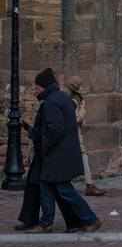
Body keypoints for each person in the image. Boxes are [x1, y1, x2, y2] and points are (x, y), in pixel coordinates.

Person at [35, 69, 101, 233]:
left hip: (58, 154)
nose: (35, 90)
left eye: (37, 87)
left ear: (43, 86)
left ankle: (91, 219)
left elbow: (56, 129)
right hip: (64, 152)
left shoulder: (51, 102)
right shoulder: (63, 98)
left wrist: (45, 146)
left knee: (64, 189)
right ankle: (46, 222)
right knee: (46, 185)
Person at [16, 98, 86, 233]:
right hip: (45, 152)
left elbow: (53, 131)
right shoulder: (51, 104)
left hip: (50, 154)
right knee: (36, 185)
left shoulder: (55, 105)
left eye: (37, 88)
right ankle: (35, 220)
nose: (35, 91)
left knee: (58, 187)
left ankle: (77, 221)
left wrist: (37, 137)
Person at [66, 77, 106, 197]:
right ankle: (89, 185)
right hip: (74, 135)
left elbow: (81, 122)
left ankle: (88, 185)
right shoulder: (73, 101)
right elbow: (75, 119)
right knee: (82, 158)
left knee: (80, 158)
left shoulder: (76, 99)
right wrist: (83, 110)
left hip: (76, 135)